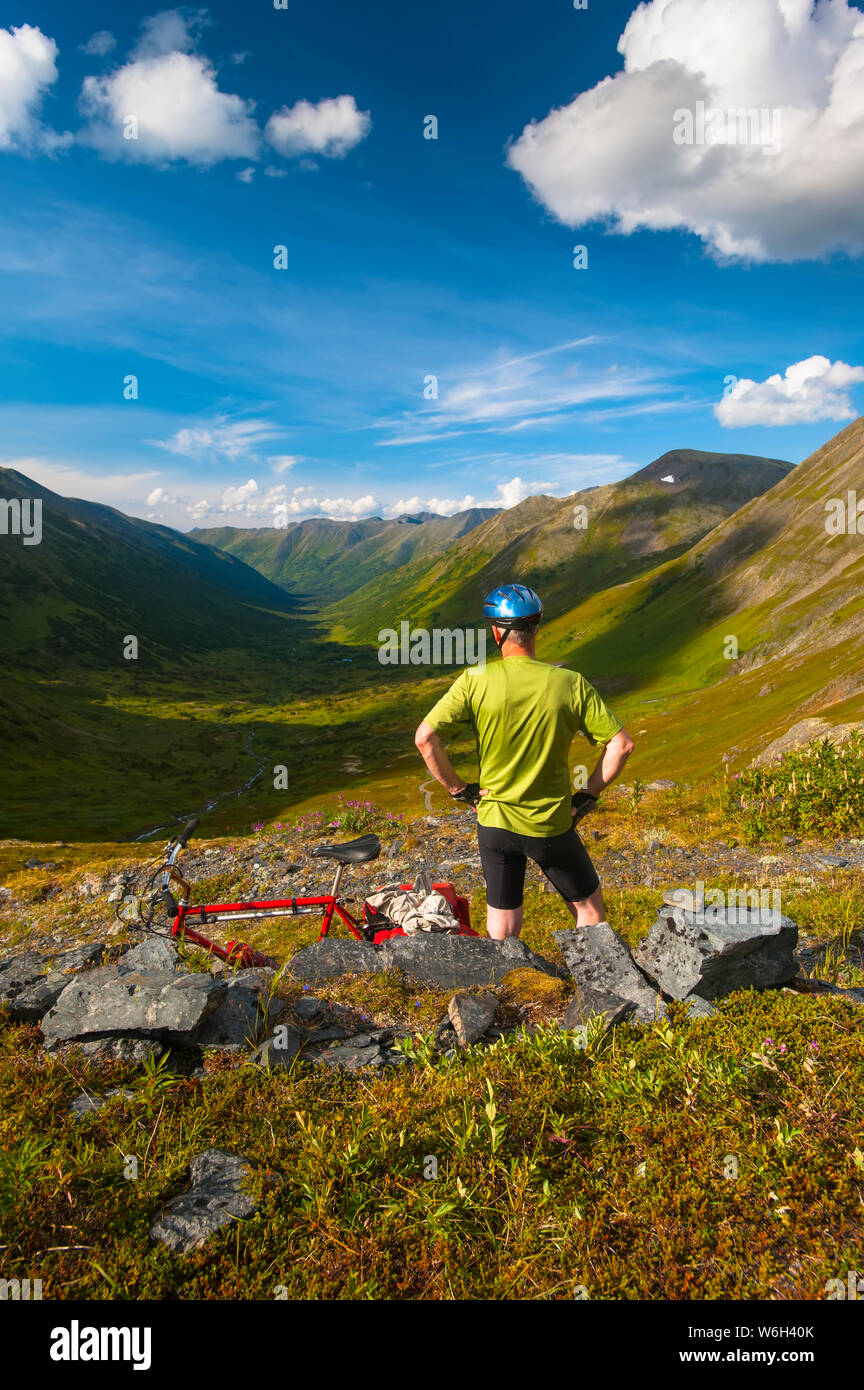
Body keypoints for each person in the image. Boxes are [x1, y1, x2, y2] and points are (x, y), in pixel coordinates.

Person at [414, 583, 634, 940]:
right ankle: (594, 970)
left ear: (497, 632)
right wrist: (587, 795)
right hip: (551, 824)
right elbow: (621, 746)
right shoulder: (570, 683)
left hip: (495, 822)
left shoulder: (474, 679)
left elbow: (425, 738)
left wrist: (460, 790)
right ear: (536, 628)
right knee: (589, 910)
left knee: (502, 925)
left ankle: (505, 974)